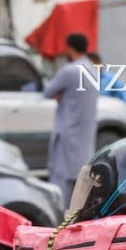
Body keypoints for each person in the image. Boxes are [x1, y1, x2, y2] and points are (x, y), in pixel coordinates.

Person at [44, 33, 99, 204]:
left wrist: (60, 95)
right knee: (81, 187)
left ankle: (57, 224)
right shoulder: (93, 70)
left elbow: (47, 92)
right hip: (85, 137)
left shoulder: (69, 71)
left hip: (67, 137)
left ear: (69, 48)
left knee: (61, 190)